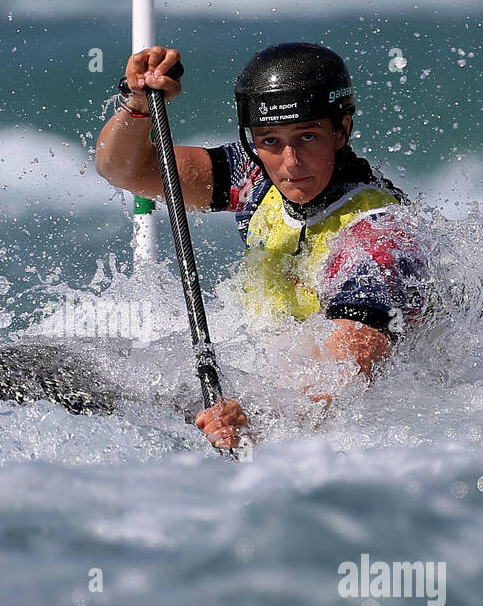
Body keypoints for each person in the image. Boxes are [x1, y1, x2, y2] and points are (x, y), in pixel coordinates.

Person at [95, 42, 427, 449]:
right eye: (269, 140)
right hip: (273, 397)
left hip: (369, 429)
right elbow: (125, 169)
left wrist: (259, 421)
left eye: (308, 136)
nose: (290, 162)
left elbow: (345, 374)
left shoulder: (379, 238)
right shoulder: (252, 175)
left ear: (342, 130)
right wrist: (139, 104)